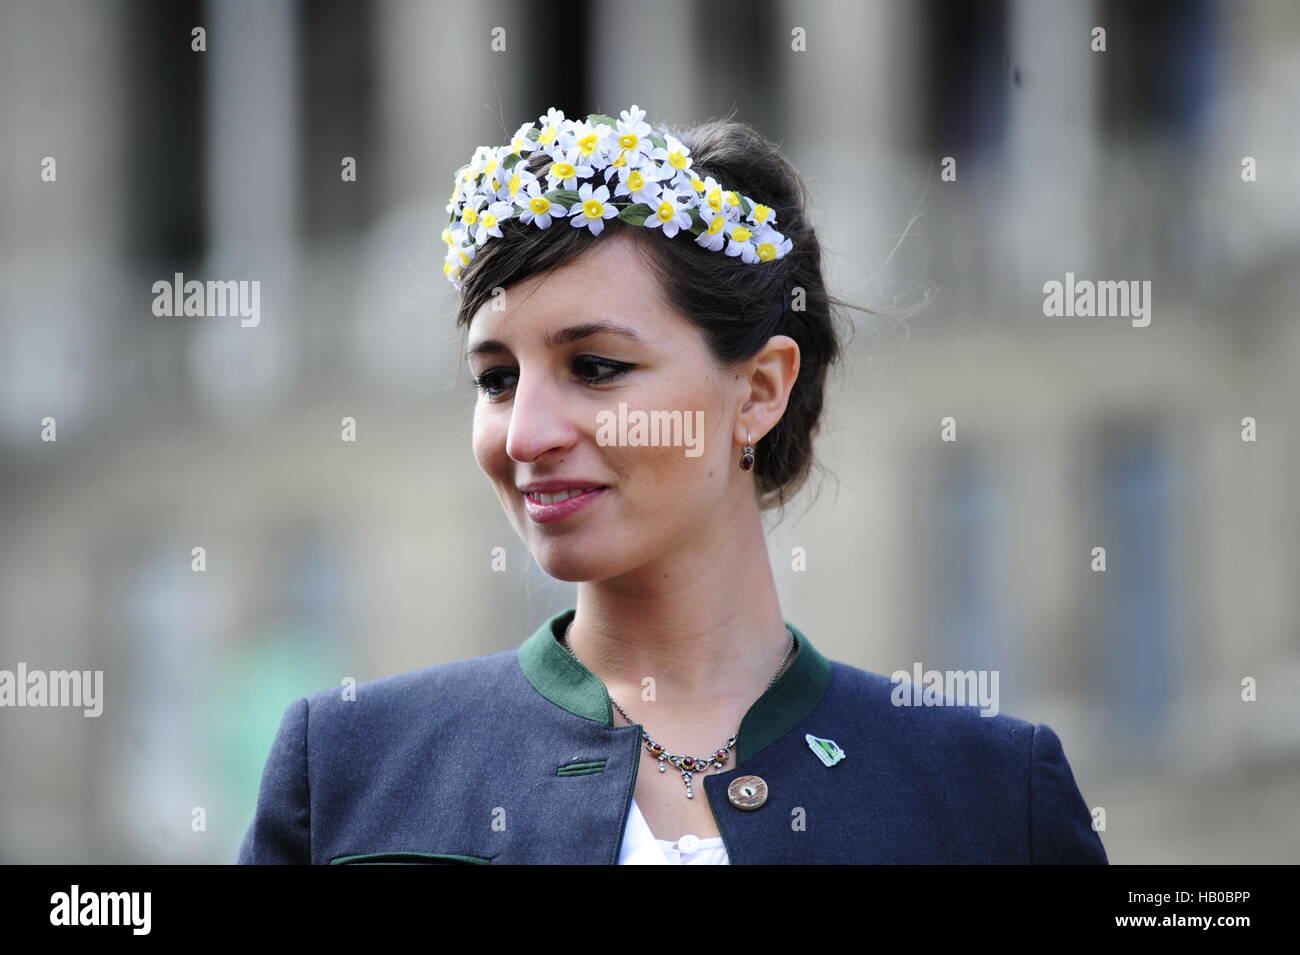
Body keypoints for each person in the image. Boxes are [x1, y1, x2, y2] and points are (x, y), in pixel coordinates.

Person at [237, 105, 1108, 865]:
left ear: (759, 389)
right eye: (496, 379)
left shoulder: (992, 797)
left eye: (598, 366)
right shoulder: (350, 772)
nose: (527, 434)